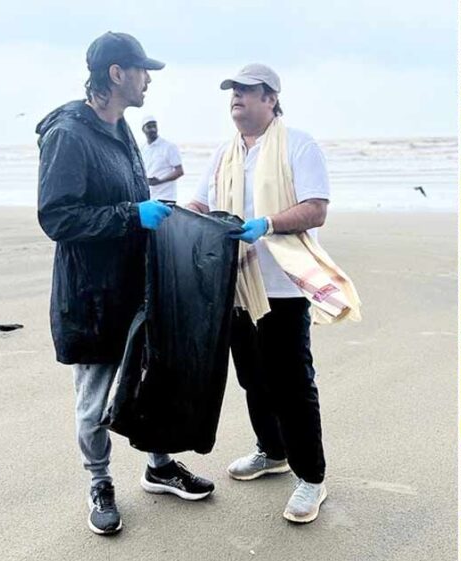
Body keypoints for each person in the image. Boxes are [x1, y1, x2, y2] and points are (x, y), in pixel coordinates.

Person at [36, 31, 214, 537]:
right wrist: (132, 213)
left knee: (149, 381)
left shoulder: (122, 127)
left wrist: (168, 213)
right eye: (142, 70)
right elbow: (57, 218)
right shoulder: (68, 134)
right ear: (116, 74)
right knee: (95, 401)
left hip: (138, 285)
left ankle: (159, 465)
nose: (149, 80)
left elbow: (138, 201)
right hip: (90, 295)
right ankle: (99, 482)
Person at [185, 63, 332, 524]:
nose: (236, 98)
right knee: (252, 379)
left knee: (292, 384)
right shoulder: (224, 154)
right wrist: (180, 216)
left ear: (271, 98)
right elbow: (200, 202)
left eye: (247, 91)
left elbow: (316, 208)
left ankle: (312, 478)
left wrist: (267, 224)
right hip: (235, 287)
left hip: (283, 286)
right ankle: (272, 452)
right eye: (232, 91)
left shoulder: (298, 144)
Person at [140, 115, 184, 201]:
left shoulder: (169, 147)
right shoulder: (143, 149)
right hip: (149, 198)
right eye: (149, 127)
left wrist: (160, 181)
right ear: (143, 130)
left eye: (154, 126)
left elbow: (179, 171)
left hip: (166, 198)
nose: (153, 129)